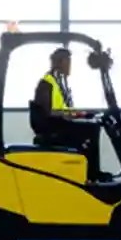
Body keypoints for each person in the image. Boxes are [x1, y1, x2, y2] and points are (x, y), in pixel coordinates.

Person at [30, 47, 103, 177]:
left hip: (59, 124)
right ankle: (93, 174)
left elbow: (64, 109)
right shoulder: (46, 83)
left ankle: (90, 172)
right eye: (67, 62)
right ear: (59, 63)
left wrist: (84, 114)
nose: (70, 66)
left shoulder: (60, 82)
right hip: (53, 128)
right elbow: (49, 113)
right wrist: (74, 115)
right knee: (92, 129)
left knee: (92, 125)